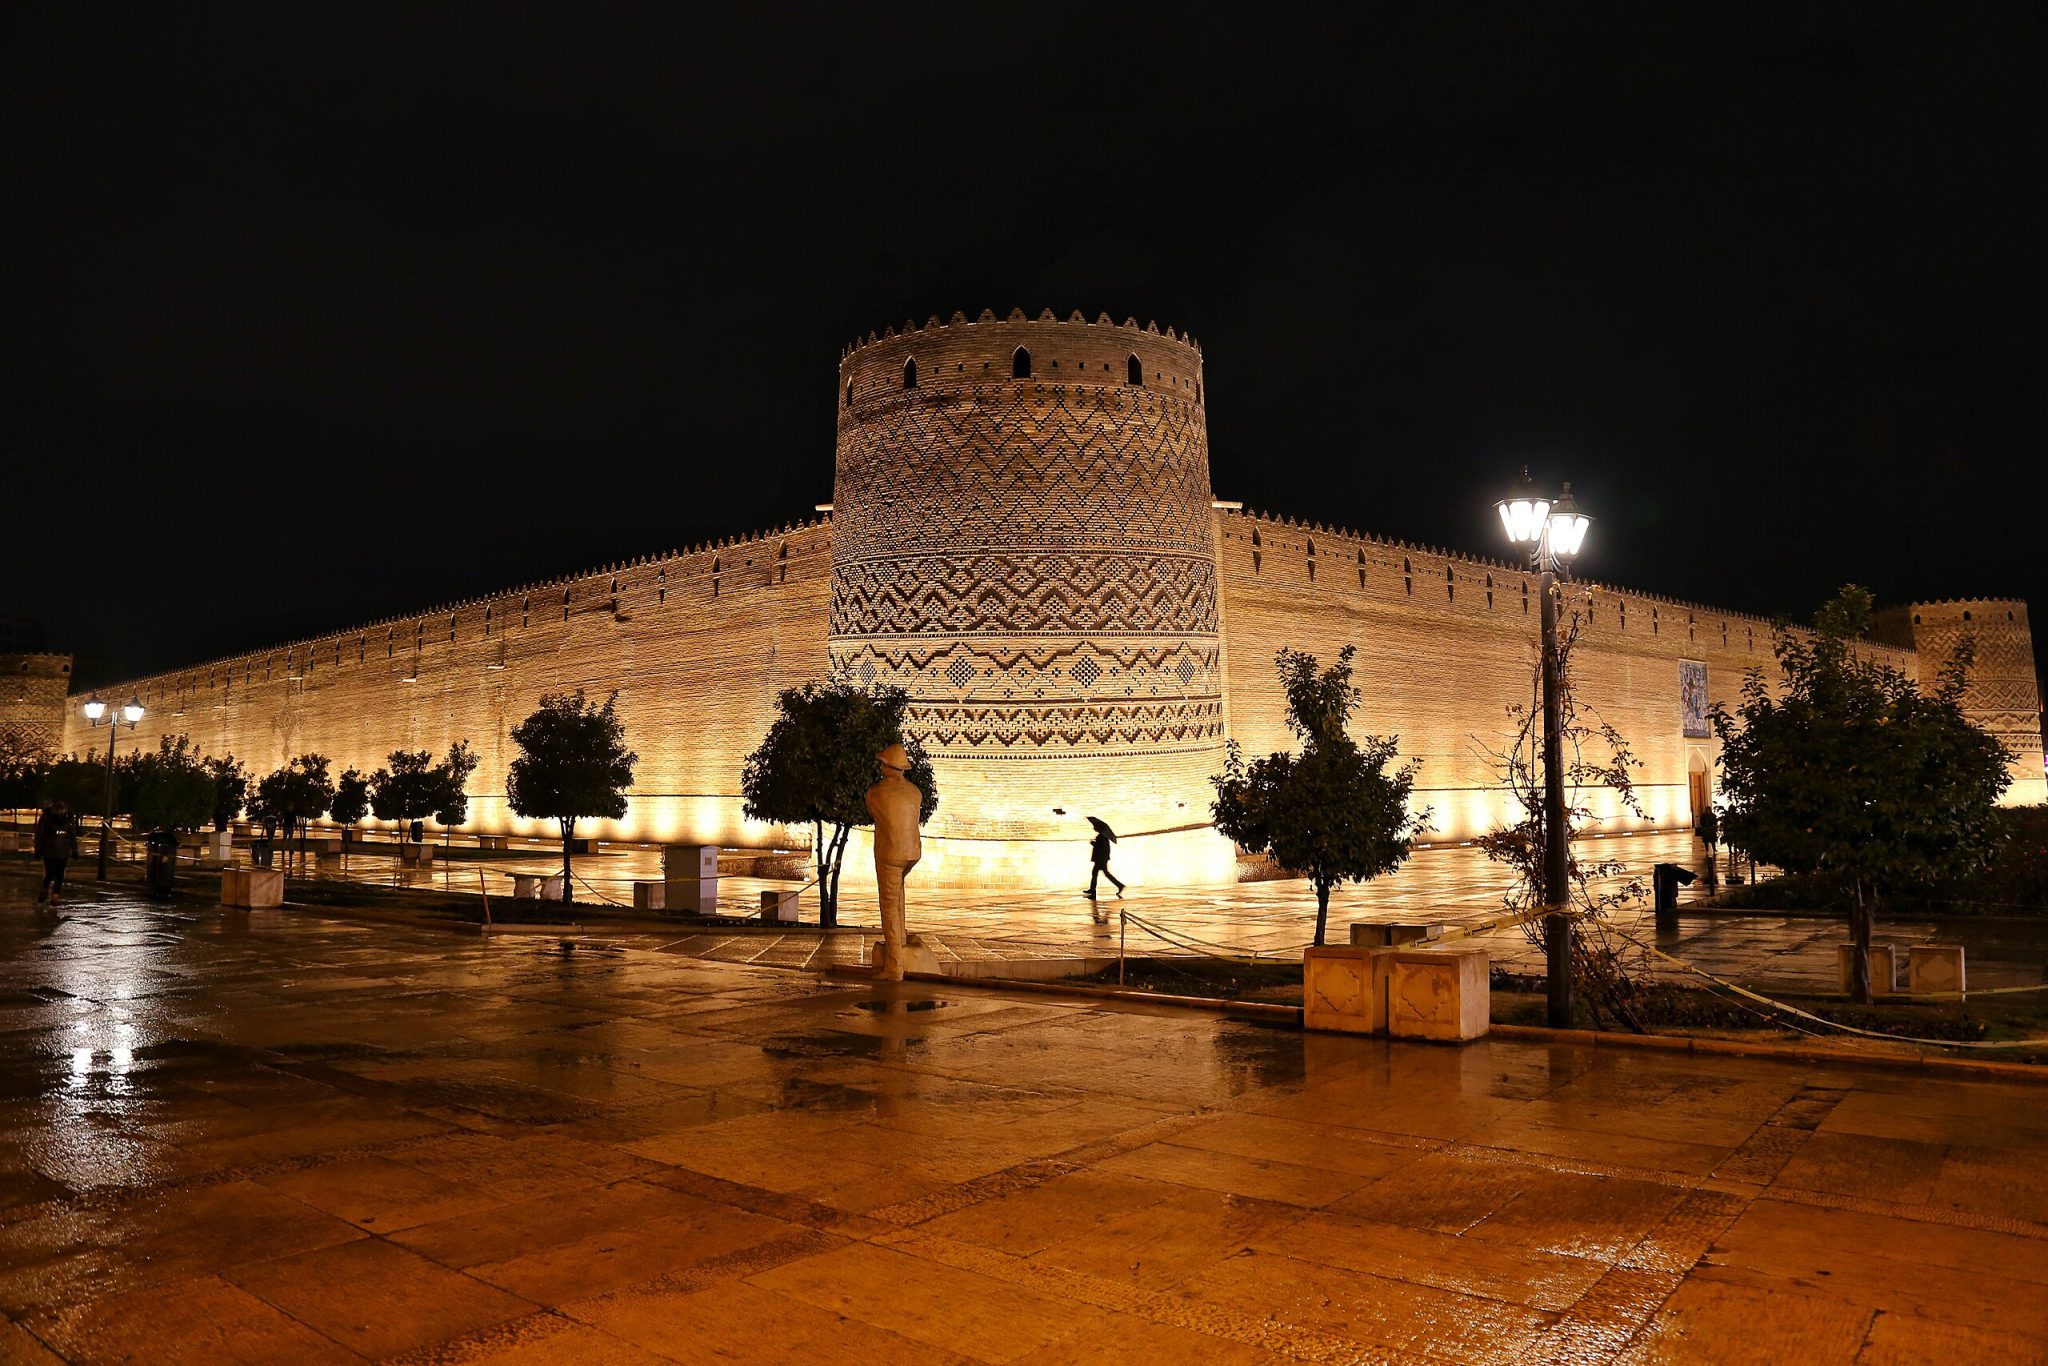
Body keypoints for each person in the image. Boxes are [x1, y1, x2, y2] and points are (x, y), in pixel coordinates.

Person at [864, 743, 923, 981]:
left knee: (888, 906)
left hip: (890, 854)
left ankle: (894, 967)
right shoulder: (915, 792)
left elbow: (872, 812)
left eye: (883, 764)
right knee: (898, 895)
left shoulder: (876, 793)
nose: (880, 767)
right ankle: (899, 941)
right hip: (912, 853)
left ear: (889, 767)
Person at [33, 799, 76, 908]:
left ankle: (55, 897)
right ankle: (44, 890)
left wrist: (74, 849)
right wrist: (38, 848)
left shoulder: (69, 818)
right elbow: (40, 833)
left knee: (60, 874)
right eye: (59, 809)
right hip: (49, 850)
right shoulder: (46, 817)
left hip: (63, 850)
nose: (61, 811)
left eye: (63, 809)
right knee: (50, 873)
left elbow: (72, 834)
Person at [1085, 817, 1124, 914]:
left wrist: (1093, 843)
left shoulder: (1101, 837)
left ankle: (1093, 891)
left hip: (1100, 859)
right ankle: (1118, 885)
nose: (1094, 828)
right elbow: (1102, 848)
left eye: (1095, 827)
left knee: (1096, 873)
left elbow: (1101, 848)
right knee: (1103, 874)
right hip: (1102, 859)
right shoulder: (1102, 837)